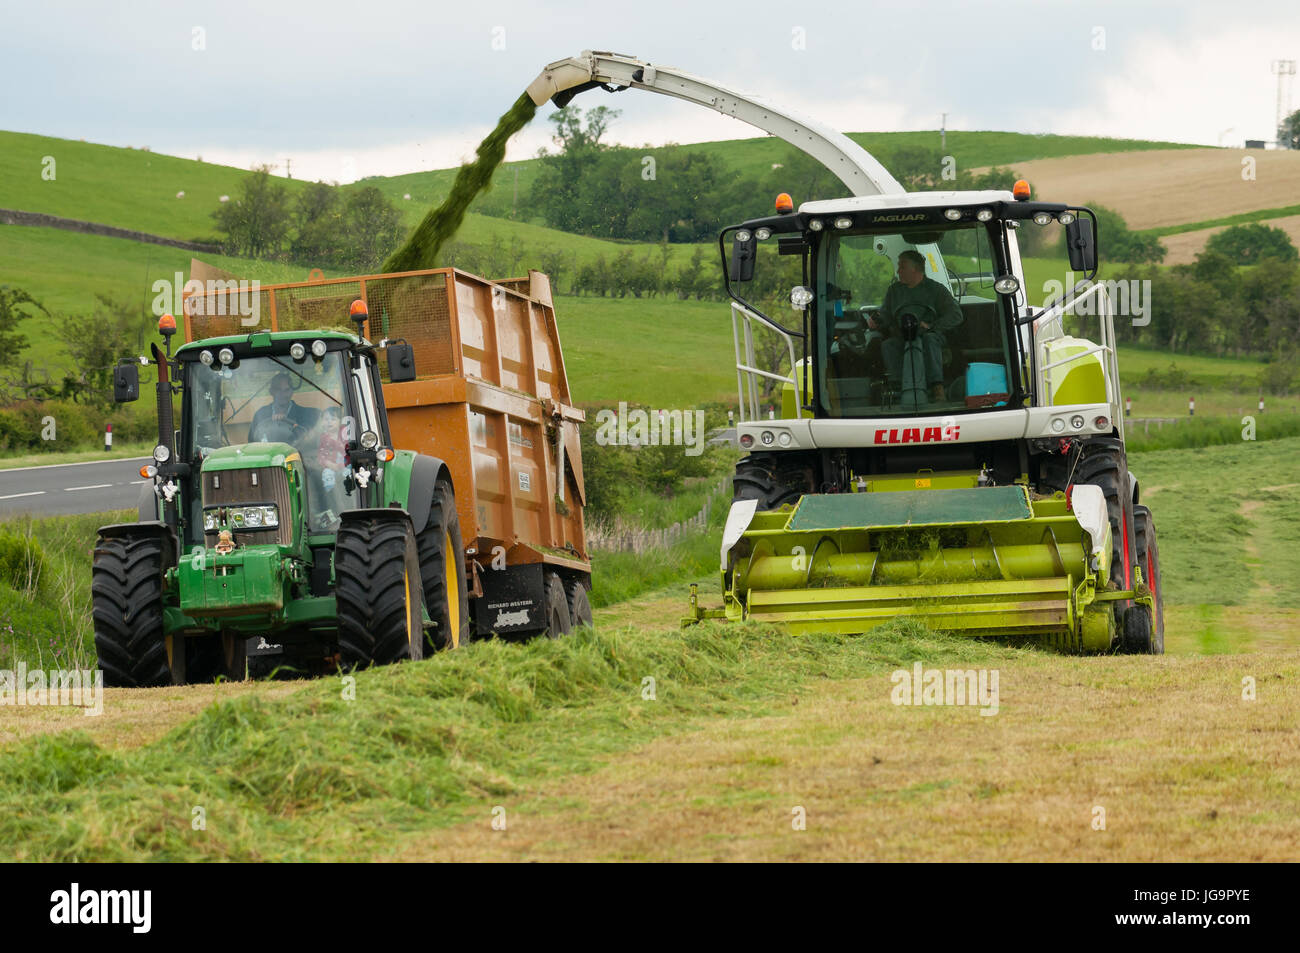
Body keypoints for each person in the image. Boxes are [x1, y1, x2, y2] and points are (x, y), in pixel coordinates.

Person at [870, 249, 964, 402]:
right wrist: (877, 321)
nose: (898, 271)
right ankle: (897, 387)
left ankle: (937, 387)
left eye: (902, 266)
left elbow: (956, 315)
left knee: (929, 340)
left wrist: (932, 326)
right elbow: (885, 315)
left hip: (930, 334)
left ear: (915, 269)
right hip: (902, 336)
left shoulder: (936, 290)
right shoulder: (894, 291)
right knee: (888, 345)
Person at [250, 372, 318, 443]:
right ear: (271, 391)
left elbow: (308, 438)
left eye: (287, 390)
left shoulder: (305, 414)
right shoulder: (261, 414)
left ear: (292, 391)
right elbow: (252, 442)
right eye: (278, 390)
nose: (283, 394)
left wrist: (288, 421)